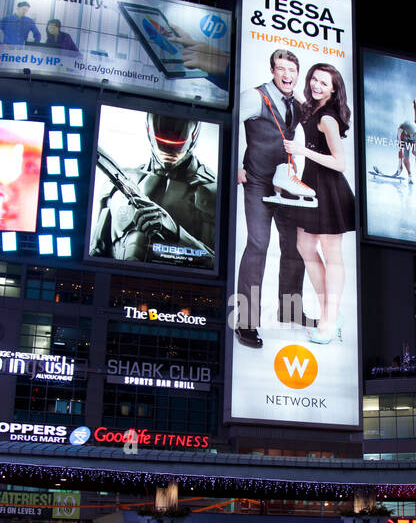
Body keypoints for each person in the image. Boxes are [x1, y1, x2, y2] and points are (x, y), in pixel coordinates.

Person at [233, 49, 316, 348]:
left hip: (285, 185)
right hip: (257, 182)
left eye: (291, 69)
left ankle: (290, 311)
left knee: (295, 245)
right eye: (281, 68)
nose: (286, 74)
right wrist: (235, 166)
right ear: (272, 70)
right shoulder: (255, 97)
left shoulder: (298, 103)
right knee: (258, 245)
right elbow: (229, 123)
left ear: (297, 73)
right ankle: (245, 322)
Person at [282, 63, 357, 345]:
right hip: (310, 185)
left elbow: (340, 163)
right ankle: (329, 315)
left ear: (334, 88)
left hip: (329, 189)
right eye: (314, 79)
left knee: (332, 254)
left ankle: (328, 323)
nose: (316, 85)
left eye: (324, 83)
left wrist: (302, 151)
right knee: (304, 246)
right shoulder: (310, 108)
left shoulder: (327, 118)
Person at [90, 114, 216, 266]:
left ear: (193, 136)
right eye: (162, 142)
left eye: (177, 144)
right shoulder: (117, 185)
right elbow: (96, 253)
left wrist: (175, 233)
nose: (169, 152)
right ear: (150, 131)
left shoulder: (211, 192)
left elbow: (216, 264)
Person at [395, 100, 416, 182]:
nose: (411, 136)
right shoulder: (401, 133)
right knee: (405, 159)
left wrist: (415, 105)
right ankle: (410, 175)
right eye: (409, 134)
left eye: (413, 134)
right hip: (405, 140)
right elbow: (401, 151)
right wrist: (400, 165)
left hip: (413, 140)